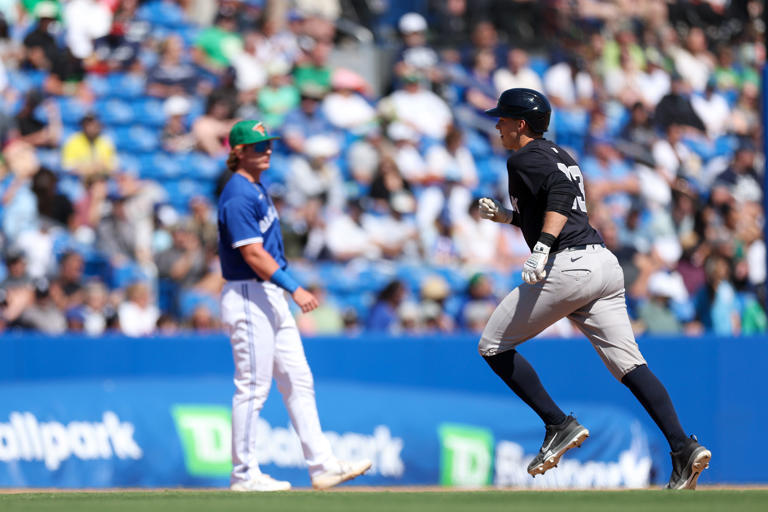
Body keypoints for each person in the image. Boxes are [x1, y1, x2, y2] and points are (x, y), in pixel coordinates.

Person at [477, 88, 711, 490]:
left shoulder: (524, 156)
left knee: (492, 345)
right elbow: (558, 205)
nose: (497, 125)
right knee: (630, 365)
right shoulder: (560, 155)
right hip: (602, 263)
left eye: (503, 118)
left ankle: (557, 424)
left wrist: (542, 249)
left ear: (520, 124)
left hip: (568, 265)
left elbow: (562, 198)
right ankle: (682, 447)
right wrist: (512, 218)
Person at [217, 119, 371, 491]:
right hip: (249, 293)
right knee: (253, 386)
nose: (267, 150)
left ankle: (321, 465)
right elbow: (253, 254)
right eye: (258, 146)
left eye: (268, 144)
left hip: (266, 294)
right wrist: (294, 288)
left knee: (298, 378)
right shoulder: (238, 193)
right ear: (238, 152)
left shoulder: (255, 187)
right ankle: (244, 474)